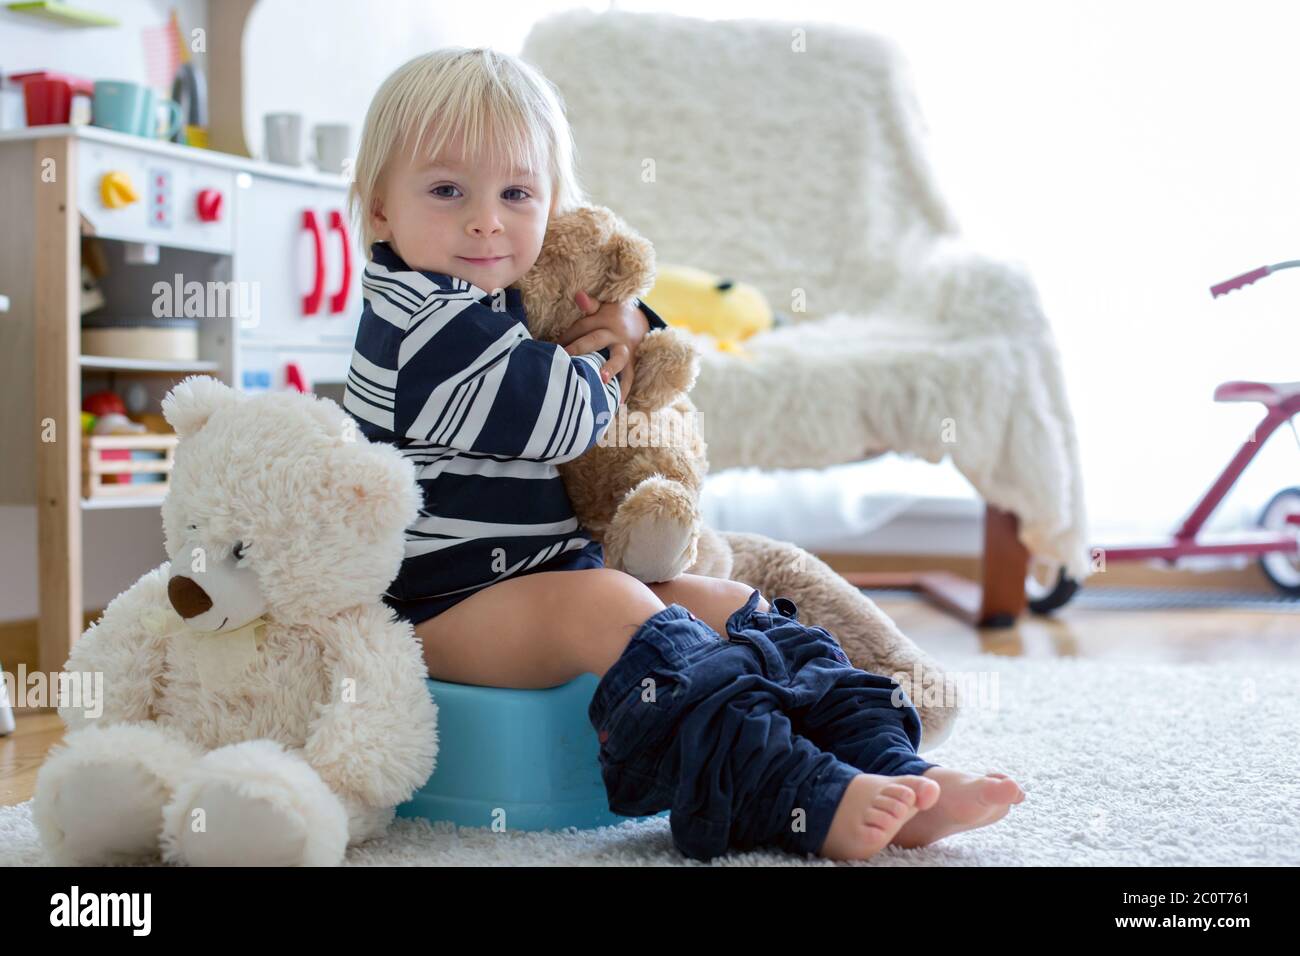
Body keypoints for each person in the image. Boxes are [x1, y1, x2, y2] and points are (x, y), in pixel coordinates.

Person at [342, 46, 1024, 861]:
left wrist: (630, 326)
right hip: (443, 608)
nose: (486, 219)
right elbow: (563, 416)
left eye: (517, 193)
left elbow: (610, 318)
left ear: (553, 207)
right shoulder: (418, 321)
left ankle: (888, 762)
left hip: (534, 583)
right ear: (380, 209)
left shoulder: (496, 297)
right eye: (448, 190)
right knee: (611, 608)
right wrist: (605, 362)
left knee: (730, 604)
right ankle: (797, 796)